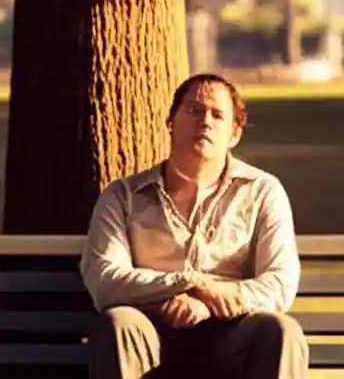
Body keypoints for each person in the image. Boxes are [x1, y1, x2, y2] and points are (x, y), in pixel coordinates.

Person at [81, 73, 308, 379]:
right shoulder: (122, 196)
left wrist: (208, 303)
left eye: (217, 115)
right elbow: (103, 279)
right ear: (170, 121)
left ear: (234, 134)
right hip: (150, 332)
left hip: (232, 336)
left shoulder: (262, 191)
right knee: (118, 324)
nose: (205, 122)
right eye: (193, 110)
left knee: (282, 331)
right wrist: (184, 283)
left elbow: (280, 282)